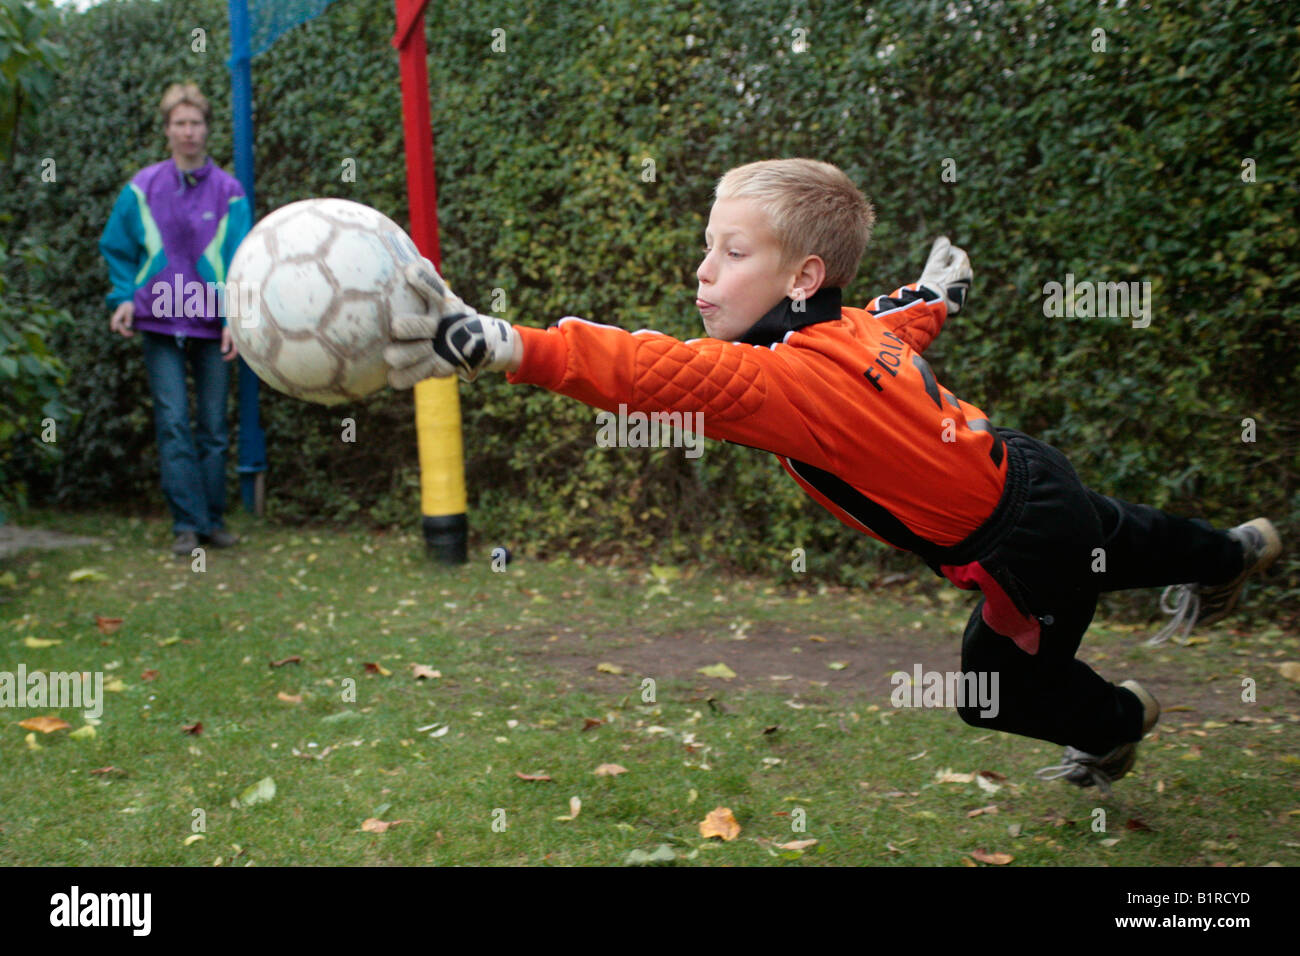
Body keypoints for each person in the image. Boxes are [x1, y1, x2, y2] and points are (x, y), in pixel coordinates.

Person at [383, 158, 1281, 794]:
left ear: (804, 275)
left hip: (1018, 545)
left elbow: (652, 371)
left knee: (991, 691)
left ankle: (1121, 723)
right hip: (1025, 470)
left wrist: (509, 345)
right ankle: (1226, 555)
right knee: (1116, 537)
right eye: (708, 246)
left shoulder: (777, 377)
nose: (703, 269)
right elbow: (901, 320)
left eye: (732, 253)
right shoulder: (844, 328)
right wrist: (941, 293)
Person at [99, 83, 251, 556]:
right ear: (167, 131)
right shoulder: (142, 187)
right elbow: (118, 249)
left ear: (206, 129)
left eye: (196, 123)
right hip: (159, 324)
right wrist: (123, 297)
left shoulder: (230, 191)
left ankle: (212, 522)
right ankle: (187, 526)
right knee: (172, 423)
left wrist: (235, 318)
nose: (189, 132)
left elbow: (244, 257)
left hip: (211, 325)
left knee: (213, 427)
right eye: (180, 123)